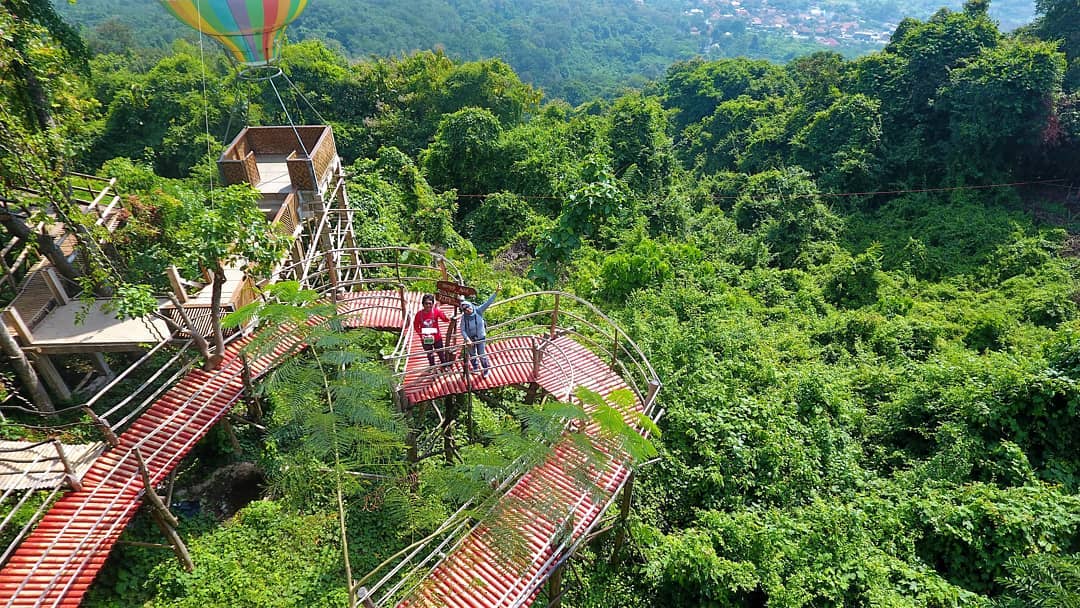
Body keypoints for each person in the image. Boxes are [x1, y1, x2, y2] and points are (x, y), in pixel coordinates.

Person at [459, 284, 501, 378]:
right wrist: (467, 339)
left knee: (482, 354)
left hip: (481, 337)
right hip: (470, 339)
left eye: (468, 307)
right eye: (465, 309)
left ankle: (486, 369)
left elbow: (488, 303)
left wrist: (496, 292)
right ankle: (475, 368)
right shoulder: (464, 318)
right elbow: (462, 329)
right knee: (472, 354)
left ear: (471, 306)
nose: (468, 310)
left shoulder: (478, 311)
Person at [414, 294, 450, 367]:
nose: (428, 305)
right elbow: (416, 326)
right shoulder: (419, 314)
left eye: (430, 303)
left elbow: (445, 320)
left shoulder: (436, 311)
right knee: (430, 354)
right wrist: (421, 335)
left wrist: (447, 316)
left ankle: (444, 366)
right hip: (426, 338)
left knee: (440, 353)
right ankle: (432, 367)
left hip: (437, 337)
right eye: (426, 303)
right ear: (423, 304)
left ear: (433, 304)